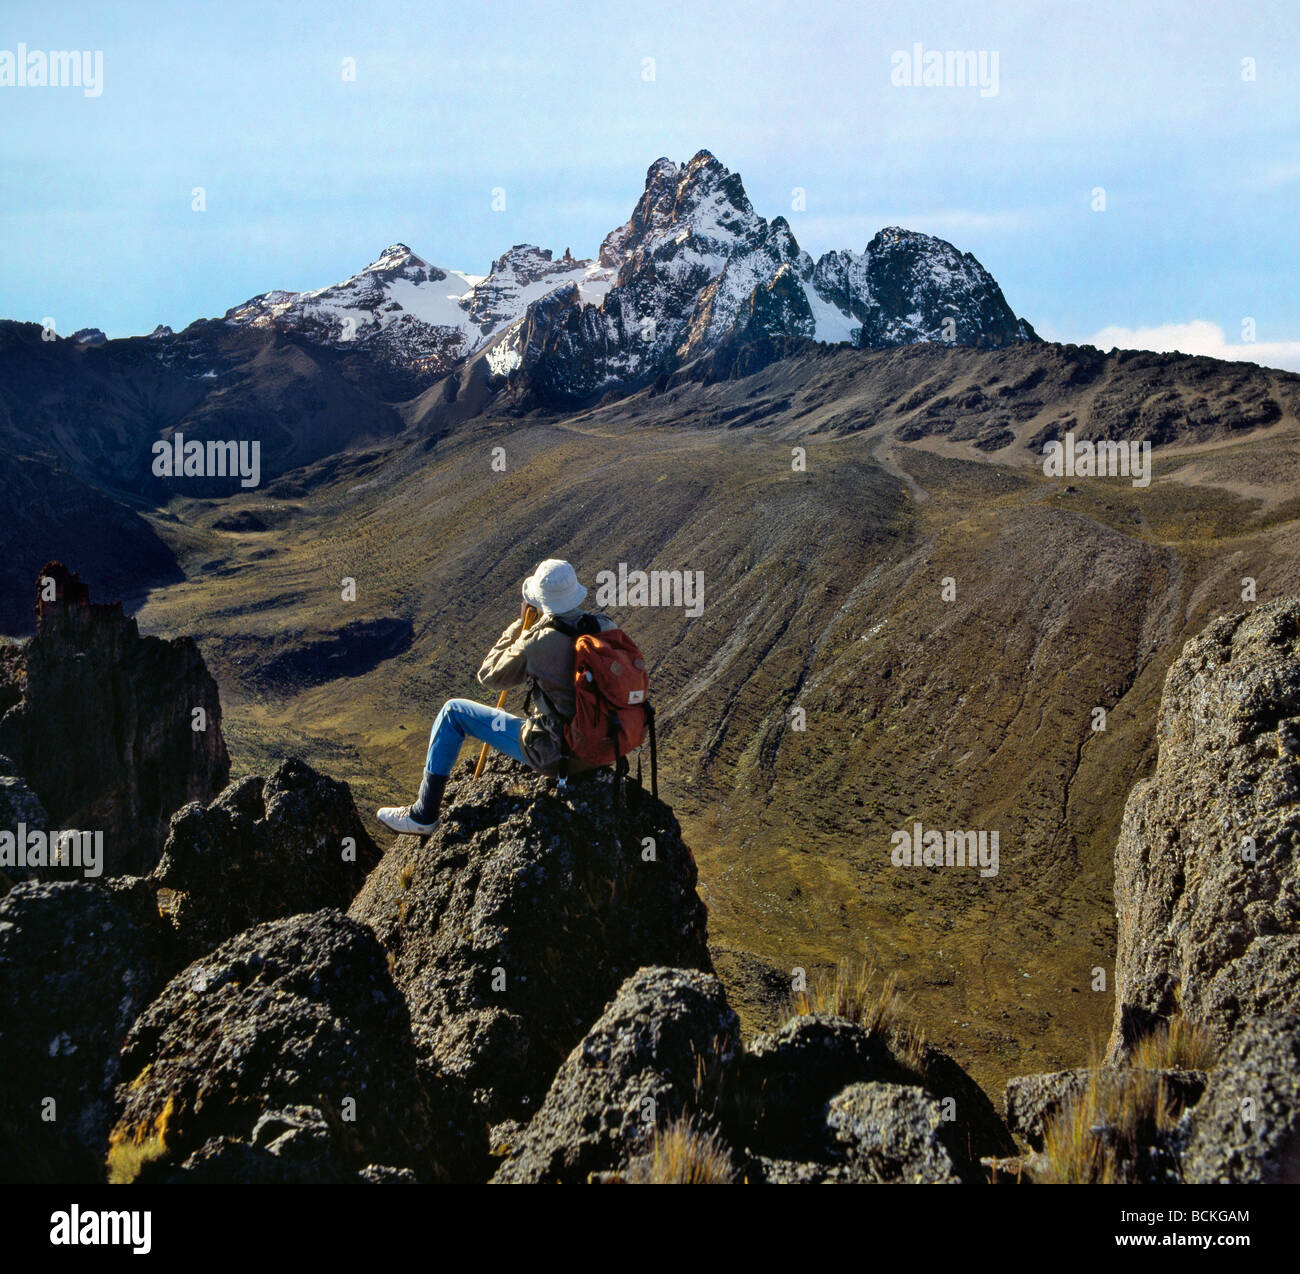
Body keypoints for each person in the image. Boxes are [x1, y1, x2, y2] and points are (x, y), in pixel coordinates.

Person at [376, 558, 616, 834]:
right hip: (606, 746)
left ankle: (422, 815)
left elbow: (489, 675)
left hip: (558, 753)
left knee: (453, 713)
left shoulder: (537, 641)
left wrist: (519, 626)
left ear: (539, 600)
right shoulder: (604, 626)